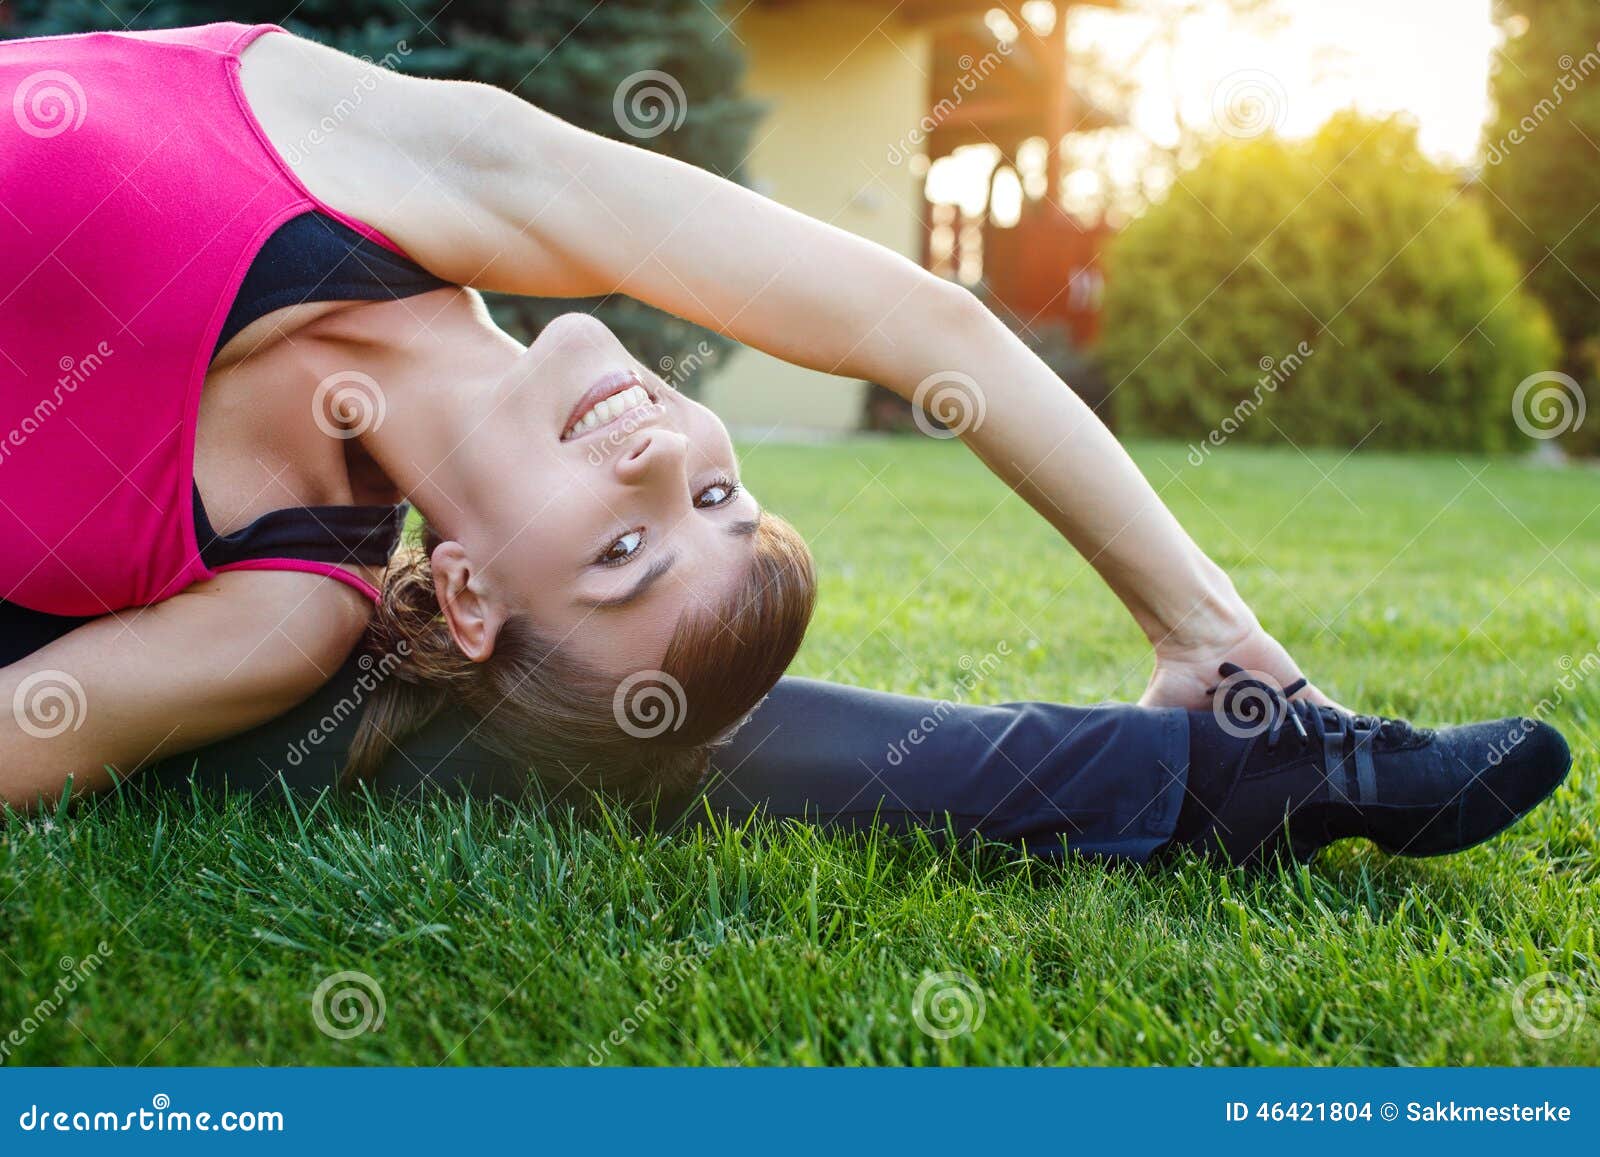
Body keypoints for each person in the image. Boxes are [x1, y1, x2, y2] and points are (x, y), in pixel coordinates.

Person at [0, 22, 1571, 865]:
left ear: (463, 594)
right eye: (719, 489)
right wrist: (1213, 634)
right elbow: (929, 329)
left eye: (625, 548)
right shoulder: (404, 160)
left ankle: (1226, 783)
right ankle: (1241, 761)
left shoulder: (282, 615)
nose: (653, 461)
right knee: (590, 730)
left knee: (594, 735)